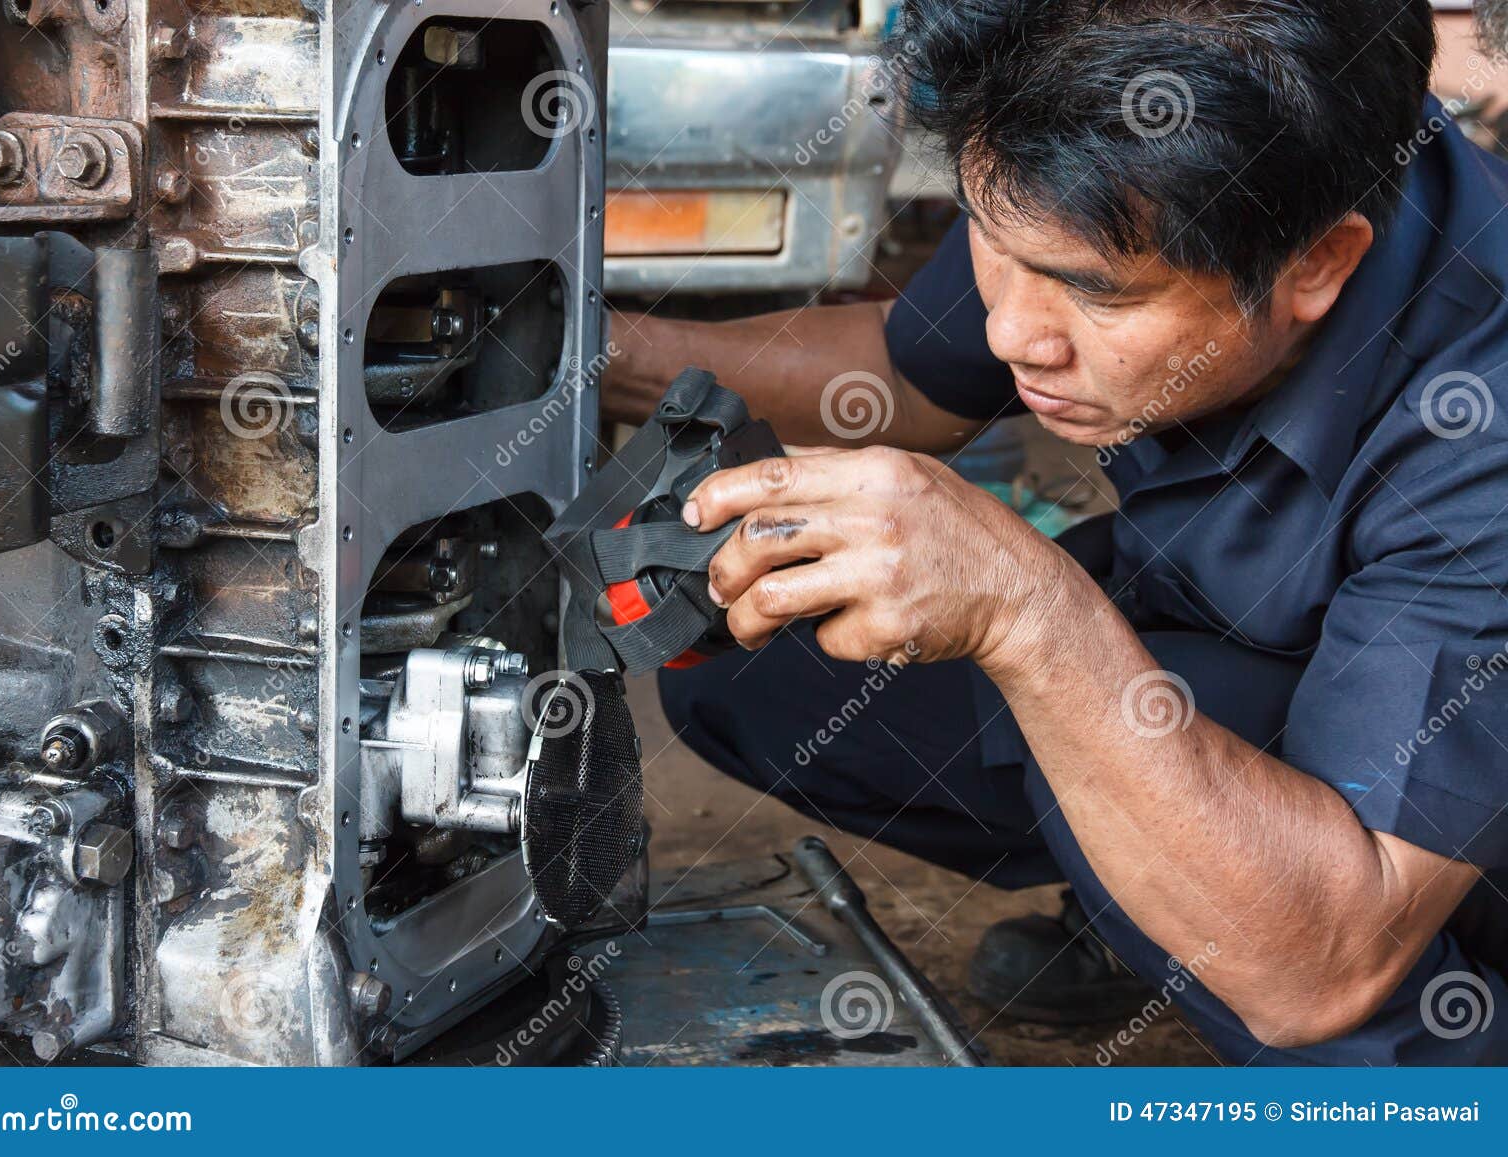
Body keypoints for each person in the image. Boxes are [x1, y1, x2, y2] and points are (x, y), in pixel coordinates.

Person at [602, 0, 1508, 1064]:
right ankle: (1144, 890)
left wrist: (1027, 613)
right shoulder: (1098, 154)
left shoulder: (1476, 418)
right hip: (1223, 633)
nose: (1009, 334)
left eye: (1093, 293)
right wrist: (582, 346)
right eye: (991, 239)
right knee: (759, 656)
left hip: (1427, 810)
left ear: (1315, 265)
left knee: (1244, 872)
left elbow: (1322, 968)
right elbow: (907, 375)